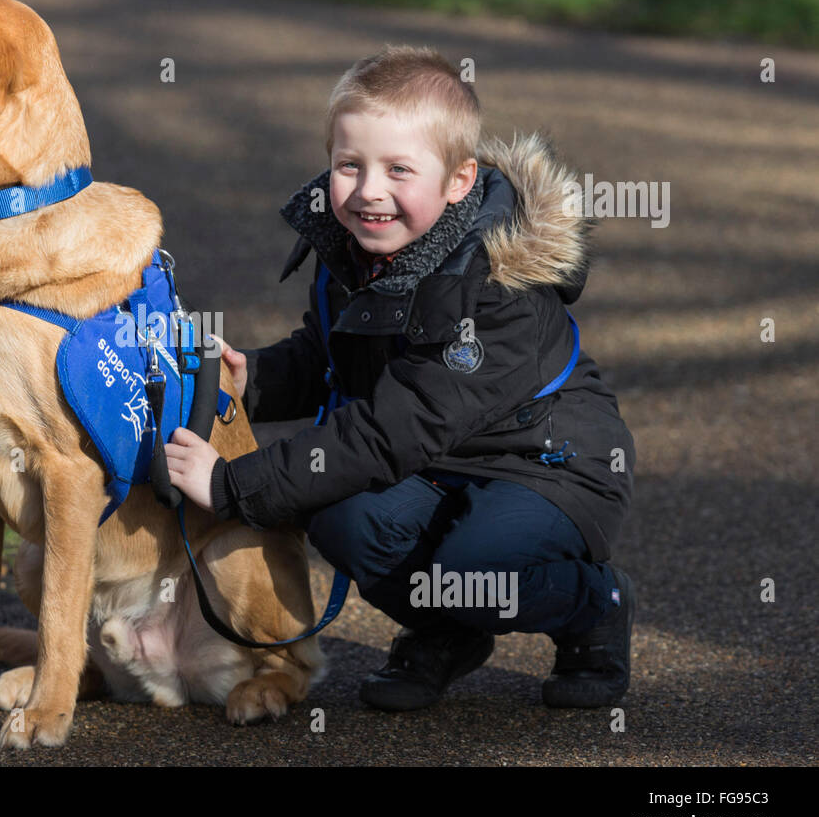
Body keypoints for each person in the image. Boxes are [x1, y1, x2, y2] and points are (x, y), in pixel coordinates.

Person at [165, 45, 636, 711]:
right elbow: (333, 356)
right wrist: (256, 380)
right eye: (348, 165)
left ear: (458, 180)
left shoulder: (498, 287)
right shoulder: (359, 249)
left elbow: (395, 426)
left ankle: (594, 606)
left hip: (547, 464)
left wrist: (233, 484)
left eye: (399, 170)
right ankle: (446, 631)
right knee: (342, 519)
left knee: (477, 568)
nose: (368, 191)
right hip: (436, 460)